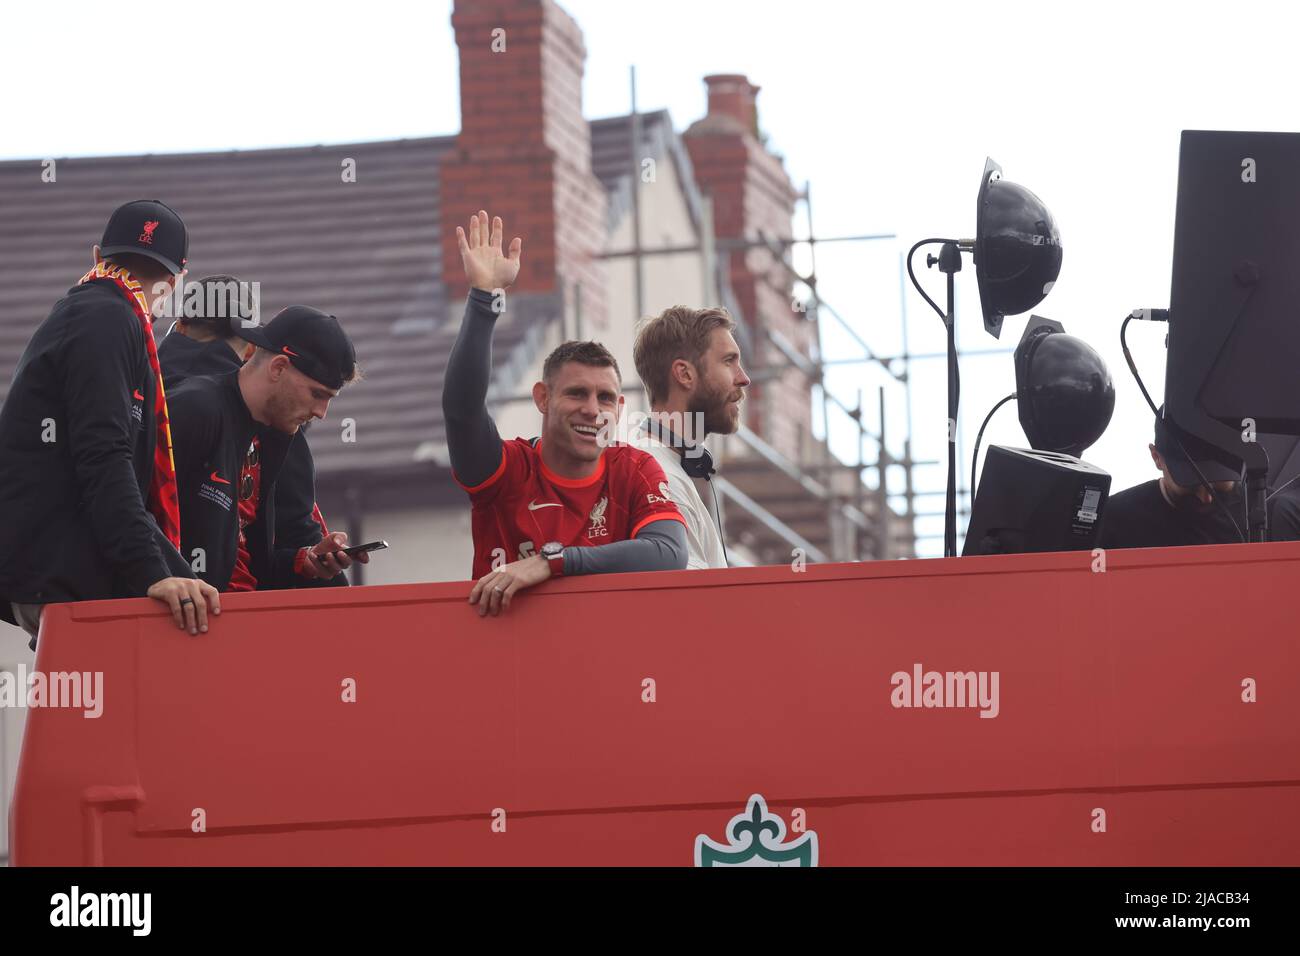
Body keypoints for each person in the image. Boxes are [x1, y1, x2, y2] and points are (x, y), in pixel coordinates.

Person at [441, 210, 688, 616]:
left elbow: (668, 552)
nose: (592, 410)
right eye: (577, 393)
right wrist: (484, 298)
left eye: (606, 398)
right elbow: (461, 410)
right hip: (508, 665)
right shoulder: (506, 471)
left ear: (620, 407)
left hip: (603, 667)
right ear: (542, 398)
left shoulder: (633, 470)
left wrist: (552, 562)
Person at [0, 200, 221, 644]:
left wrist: (169, 570)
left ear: (97, 256)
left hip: (62, 570)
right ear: (179, 279)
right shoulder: (108, 318)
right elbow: (103, 453)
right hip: (63, 575)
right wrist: (151, 573)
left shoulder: (100, 312)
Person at [158, 275, 348, 588]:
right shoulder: (203, 406)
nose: (321, 413)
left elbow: (246, 551)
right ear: (255, 352)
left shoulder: (263, 418)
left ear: (179, 326)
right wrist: (160, 576)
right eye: (318, 395)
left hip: (223, 614)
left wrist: (303, 562)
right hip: (199, 619)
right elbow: (129, 507)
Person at [632, 305, 751, 568]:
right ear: (684, 374)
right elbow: (693, 604)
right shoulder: (660, 476)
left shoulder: (663, 466)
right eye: (729, 361)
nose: (744, 379)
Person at [1099, 407, 1249, 549]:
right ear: (1156, 457)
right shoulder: (1112, 521)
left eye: (1218, 482)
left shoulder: (1267, 512)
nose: (1206, 498)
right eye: (1191, 484)